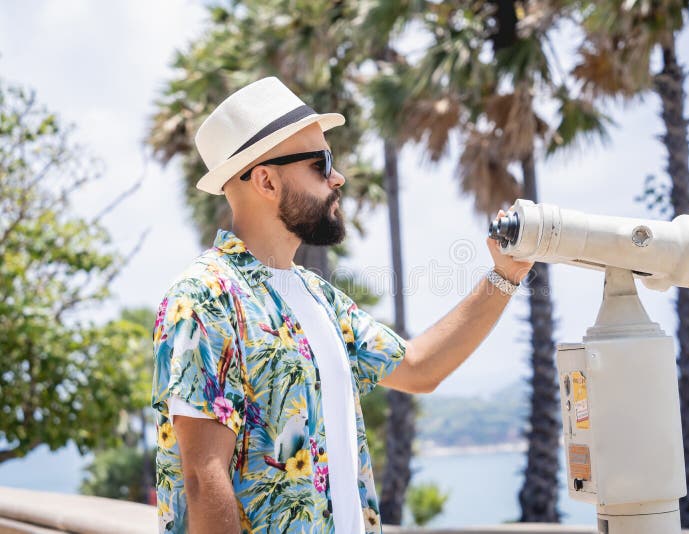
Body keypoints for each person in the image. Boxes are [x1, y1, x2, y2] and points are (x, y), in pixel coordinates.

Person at [151, 77, 533, 534]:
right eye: (322, 163)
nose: (338, 178)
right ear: (267, 180)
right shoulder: (205, 296)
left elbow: (419, 367)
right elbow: (201, 478)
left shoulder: (318, 295)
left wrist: (505, 275)